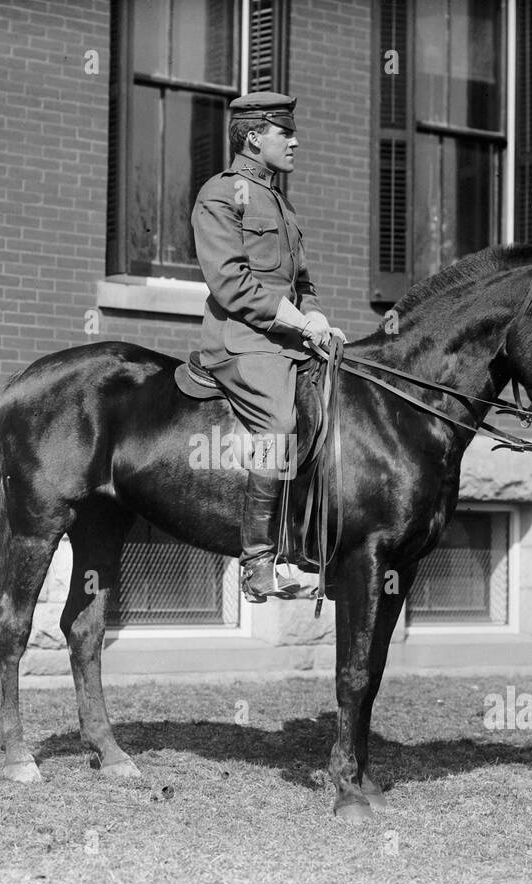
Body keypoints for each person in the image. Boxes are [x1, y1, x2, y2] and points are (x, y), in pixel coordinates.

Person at [192, 91, 344, 603]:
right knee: (278, 428)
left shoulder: (280, 202)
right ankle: (257, 565)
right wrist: (300, 323)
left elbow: (301, 281)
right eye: (285, 132)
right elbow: (230, 284)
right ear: (254, 136)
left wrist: (316, 315)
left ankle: (309, 550)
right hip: (241, 341)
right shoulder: (221, 195)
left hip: (288, 339)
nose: (295, 140)